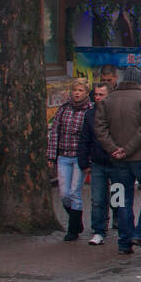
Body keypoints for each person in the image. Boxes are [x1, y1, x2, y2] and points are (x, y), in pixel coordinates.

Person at [95, 65, 141, 255]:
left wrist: (114, 149)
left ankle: (124, 241)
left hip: (116, 161)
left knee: (121, 198)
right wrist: (128, 149)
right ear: (139, 79)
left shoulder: (109, 100)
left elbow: (99, 127)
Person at [48, 78, 93, 242]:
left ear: (86, 93)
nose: (77, 93)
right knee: (64, 193)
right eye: (75, 90)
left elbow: (91, 137)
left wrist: (88, 160)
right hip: (63, 156)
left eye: (80, 90)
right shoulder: (64, 109)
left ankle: (73, 229)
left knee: (75, 191)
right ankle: (76, 218)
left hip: (79, 158)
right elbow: (55, 132)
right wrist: (51, 156)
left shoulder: (90, 110)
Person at [78, 83, 114, 246]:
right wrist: (83, 160)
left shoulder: (116, 114)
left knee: (118, 197)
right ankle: (98, 230)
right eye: (96, 95)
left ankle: (120, 224)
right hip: (98, 162)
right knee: (98, 198)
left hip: (116, 163)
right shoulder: (90, 115)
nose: (98, 98)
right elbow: (84, 139)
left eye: (101, 95)